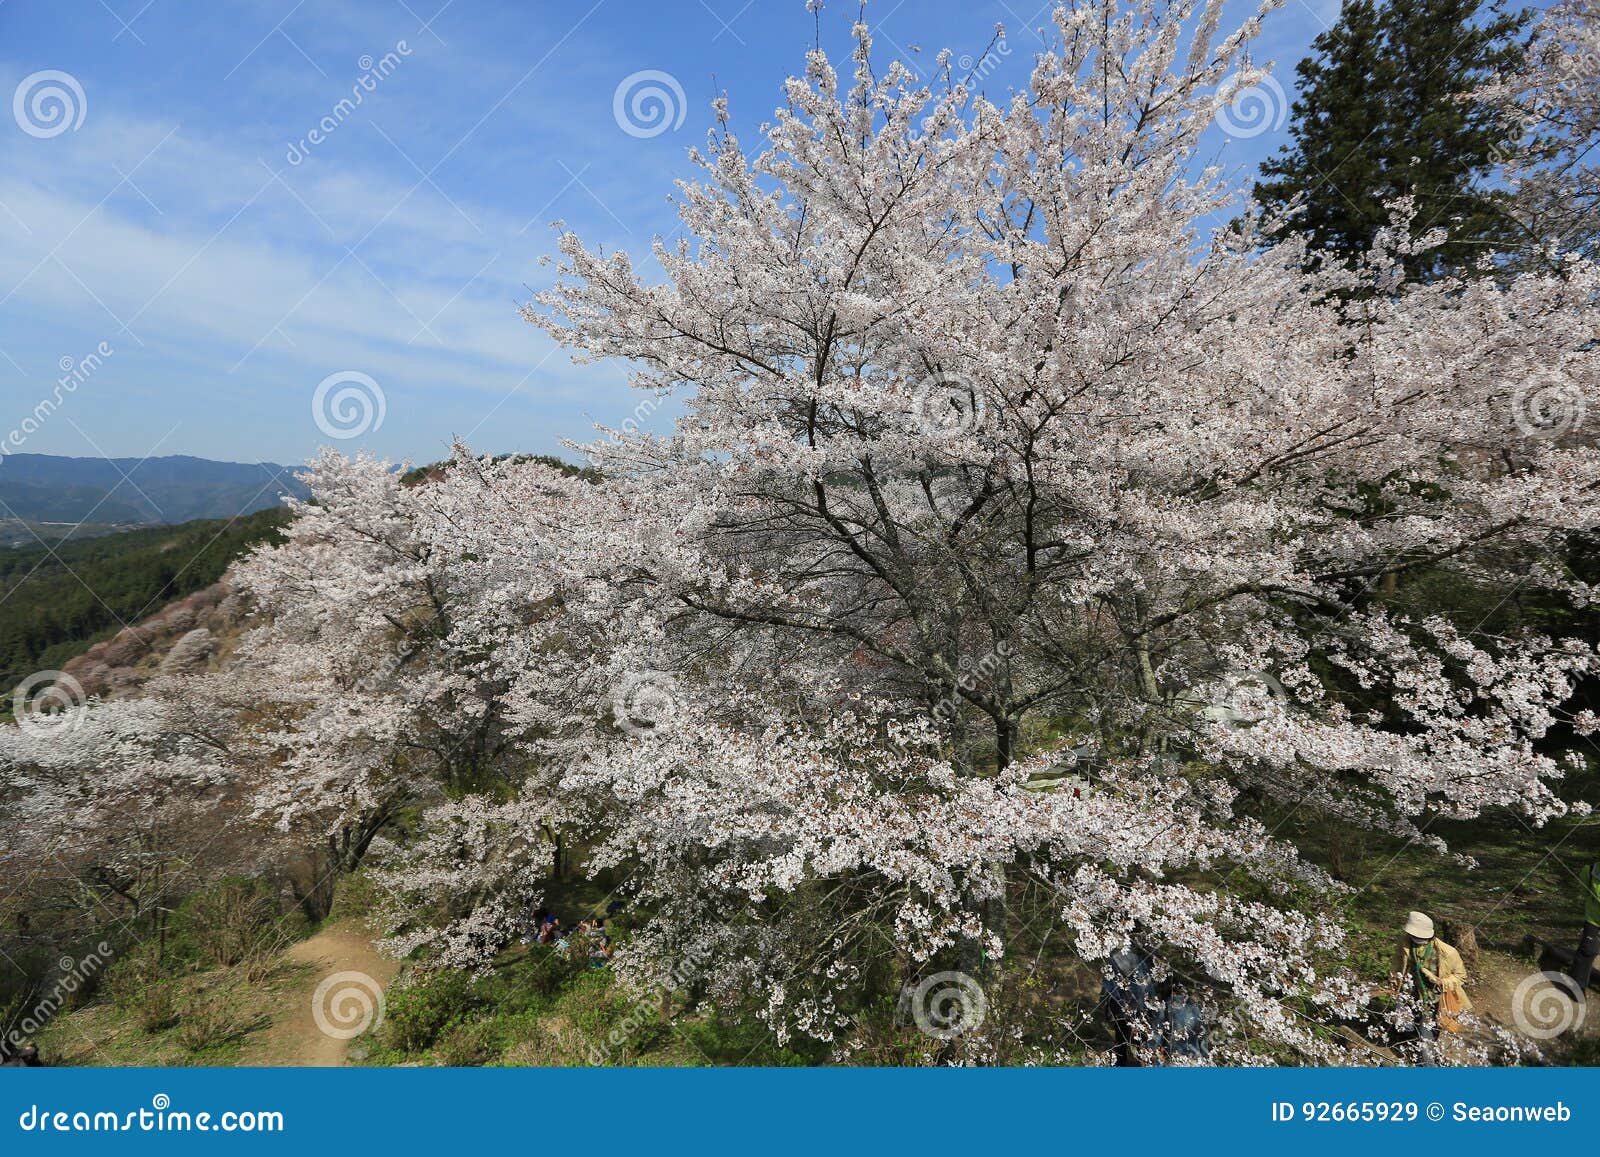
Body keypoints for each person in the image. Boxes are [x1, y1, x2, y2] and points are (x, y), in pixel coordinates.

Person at [1394, 911, 1472, 1041]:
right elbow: (1397, 960)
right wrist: (1394, 977)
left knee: (1428, 1031)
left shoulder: (1448, 952)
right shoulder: (1405, 943)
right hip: (1410, 991)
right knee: (1404, 1021)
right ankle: (1407, 1039)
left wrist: (1441, 981)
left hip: (1434, 997)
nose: (1414, 937)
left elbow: (1461, 976)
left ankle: (1428, 1053)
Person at [1568, 861, 1600, 995]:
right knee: (1588, 950)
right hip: (1593, 918)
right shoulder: (1590, 870)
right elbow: (1584, 890)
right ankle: (1577, 986)